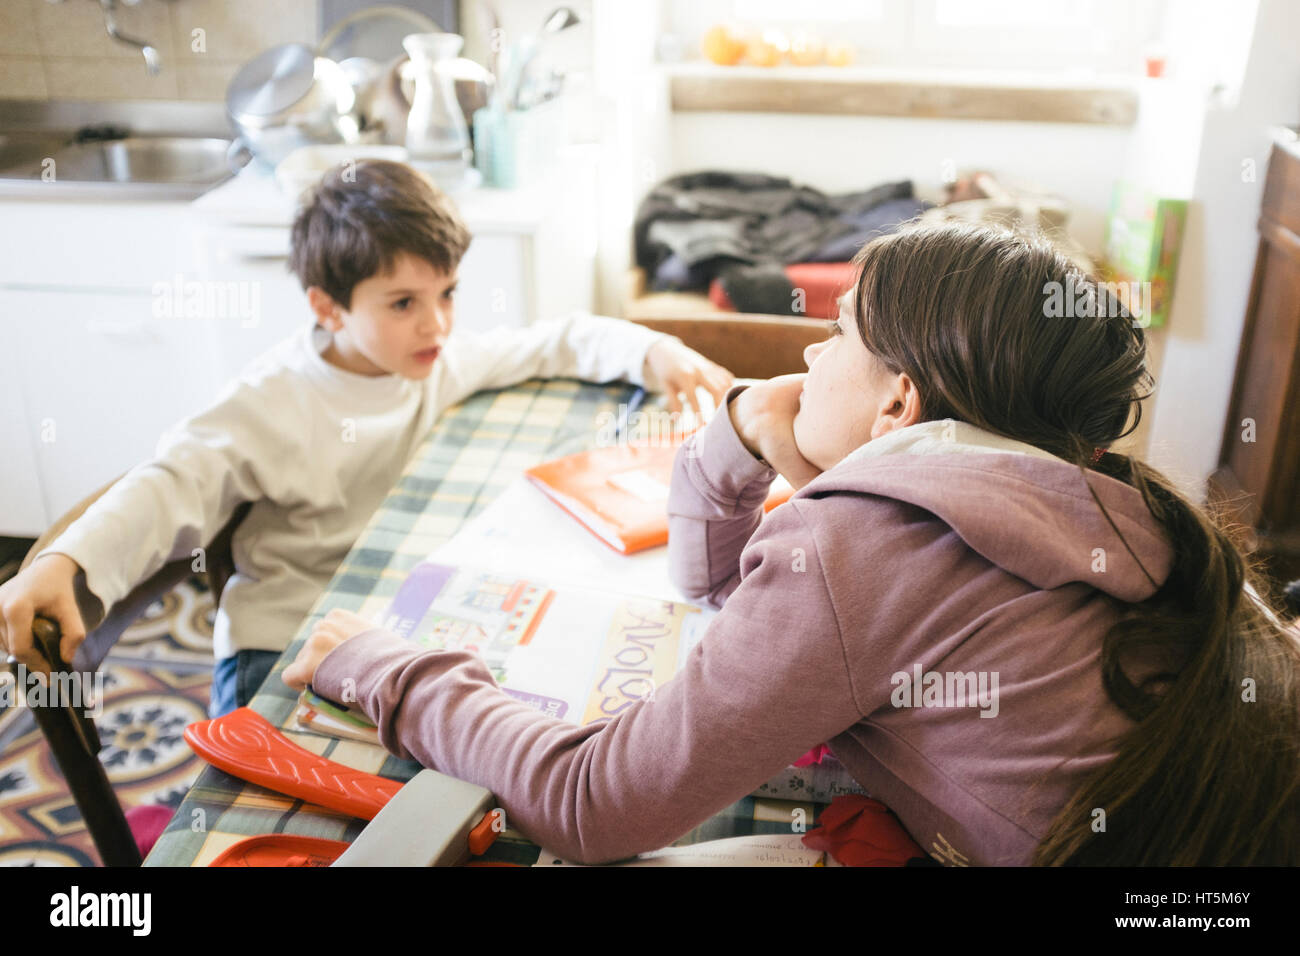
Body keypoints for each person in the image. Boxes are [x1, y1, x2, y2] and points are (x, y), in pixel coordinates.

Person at [283, 220, 1300, 866]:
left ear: (898, 400)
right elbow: (723, 589)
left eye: (837, 337)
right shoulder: (1094, 497)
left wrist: (388, 670)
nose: (810, 353)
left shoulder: (866, 544)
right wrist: (741, 437)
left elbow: (590, 804)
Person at [0, 160, 733, 718]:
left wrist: (651, 351)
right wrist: (65, 559)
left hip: (390, 614)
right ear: (328, 306)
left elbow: (555, 341)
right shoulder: (268, 401)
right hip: (278, 640)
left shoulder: (429, 357)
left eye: (447, 294)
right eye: (404, 303)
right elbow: (167, 484)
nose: (438, 324)